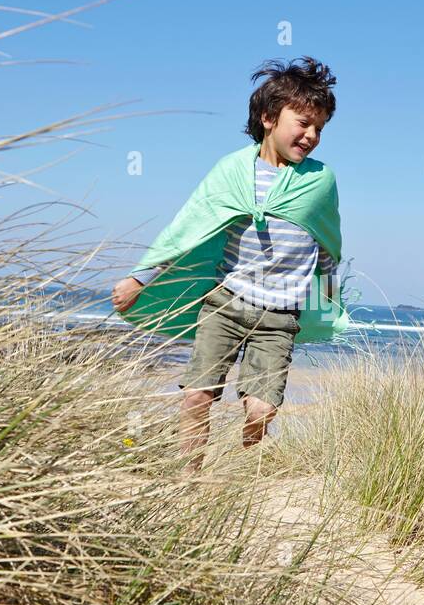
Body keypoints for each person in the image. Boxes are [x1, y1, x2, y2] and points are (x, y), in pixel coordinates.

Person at [112, 58, 348, 471]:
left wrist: (328, 297)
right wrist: (139, 278)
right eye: (304, 123)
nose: (311, 136)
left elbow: (327, 240)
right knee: (197, 395)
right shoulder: (232, 170)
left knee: (261, 411)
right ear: (269, 117)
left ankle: (244, 461)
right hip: (225, 302)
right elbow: (188, 228)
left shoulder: (319, 180)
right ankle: (190, 478)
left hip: (279, 316)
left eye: (319, 129)